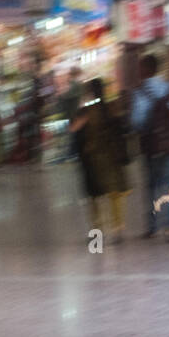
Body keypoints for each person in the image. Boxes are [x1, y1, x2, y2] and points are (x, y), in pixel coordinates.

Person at [130, 52, 169, 242]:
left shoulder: (139, 92)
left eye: (140, 68)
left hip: (150, 146)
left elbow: (136, 121)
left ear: (146, 69)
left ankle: (153, 227)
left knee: (151, 186)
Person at [69, 77, 131, 243]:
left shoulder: (87, 111)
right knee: (115, 194)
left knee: (95, 197)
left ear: (90, 93)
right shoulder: (112, 107)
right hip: (112, 158)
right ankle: (118, 229)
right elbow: (123, 131)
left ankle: (97, 231)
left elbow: (73, 128)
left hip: (94, 160)